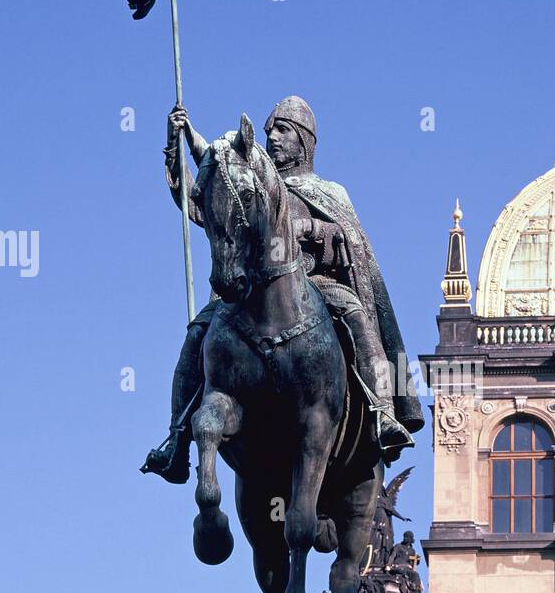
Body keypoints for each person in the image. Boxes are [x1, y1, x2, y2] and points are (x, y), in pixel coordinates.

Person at [143, 97, 423, 481]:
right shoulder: (249, 186)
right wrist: (178, 147)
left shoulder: (329, 192)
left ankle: (383, 411)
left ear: (304, 141)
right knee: (197, 334)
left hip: (316, 285)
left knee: (359, 319)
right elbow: (203, 207)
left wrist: (313, 229)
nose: (272, 137)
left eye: (282, 130)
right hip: (251, 294)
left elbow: (346, 239)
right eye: (269, 129)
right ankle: (177, 439)